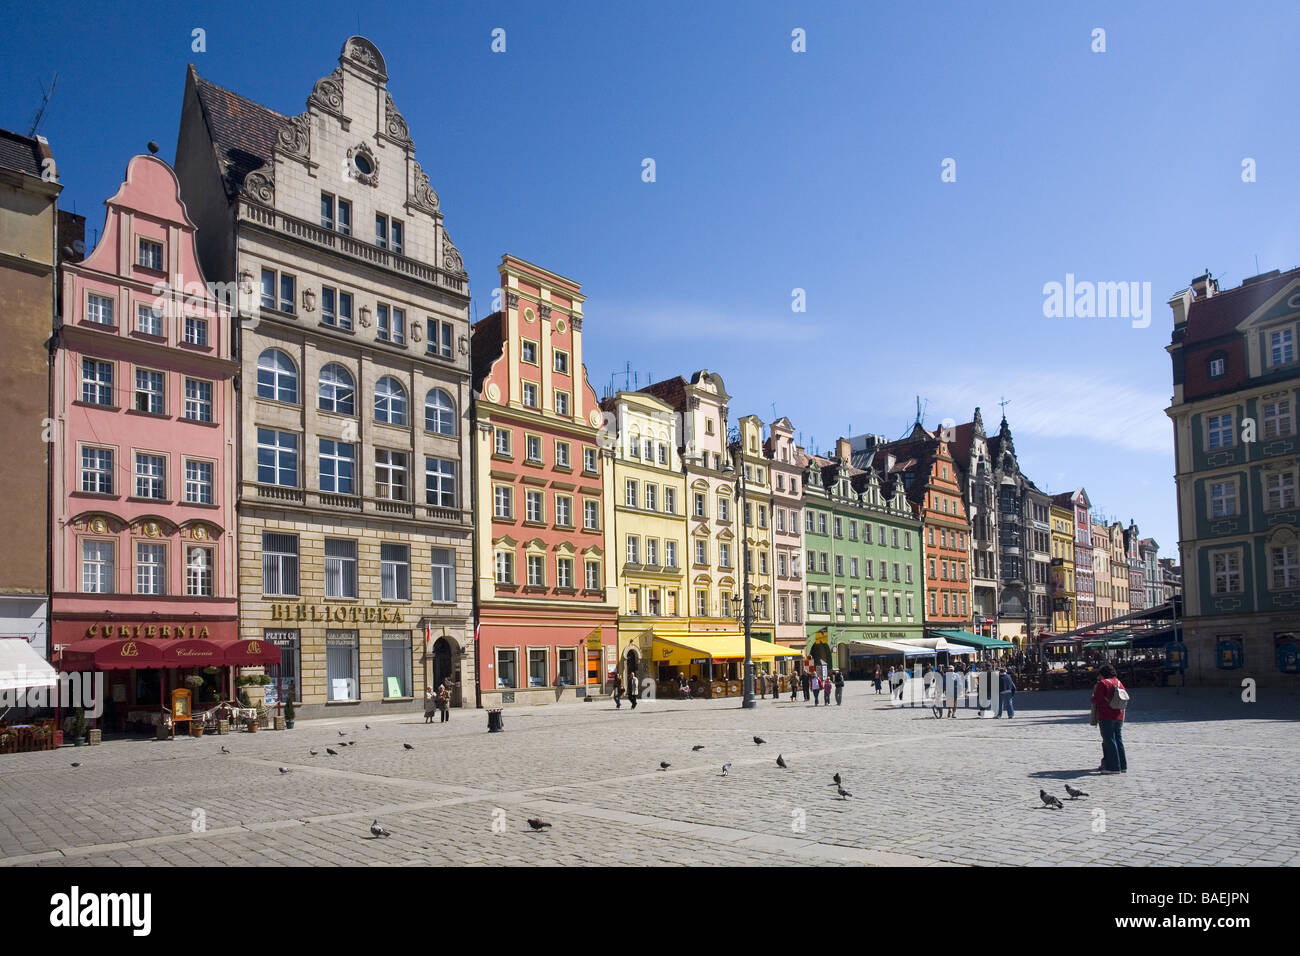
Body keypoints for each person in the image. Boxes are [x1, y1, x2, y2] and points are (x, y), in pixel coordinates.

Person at [1090, 663, 1128, 773]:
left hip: (1106, 714)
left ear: (1103, 674)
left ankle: (1113, 767)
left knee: (1109, 740)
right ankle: (1122, 765)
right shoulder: (1119, 682)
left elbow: (1096, 699)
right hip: (1119, 714)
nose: (1098, 677)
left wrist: (1093, 697)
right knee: (1118, 740)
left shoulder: (1103, 683)